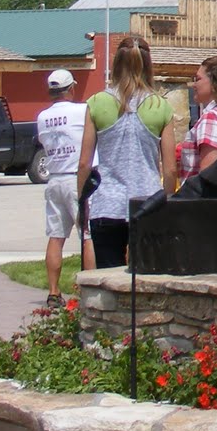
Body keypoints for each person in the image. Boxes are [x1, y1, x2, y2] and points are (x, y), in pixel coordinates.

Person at [77, 36, 174, 269]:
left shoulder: (97, 103)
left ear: (116, 65)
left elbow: (84, 164)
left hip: (107, 203)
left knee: (109, 276)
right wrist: (167, 201)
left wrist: (81, 202)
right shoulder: (160, 106)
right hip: (148, 202)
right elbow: (170, 169)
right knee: (148, 277)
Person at [35, 68, 87, 307]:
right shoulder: (81, 110)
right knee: (88, 236)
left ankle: (53, 292)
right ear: (71, 89)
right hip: (76, 177)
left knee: (56, 236)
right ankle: (90, 289)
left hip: (54, 177)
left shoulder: (42, 117)